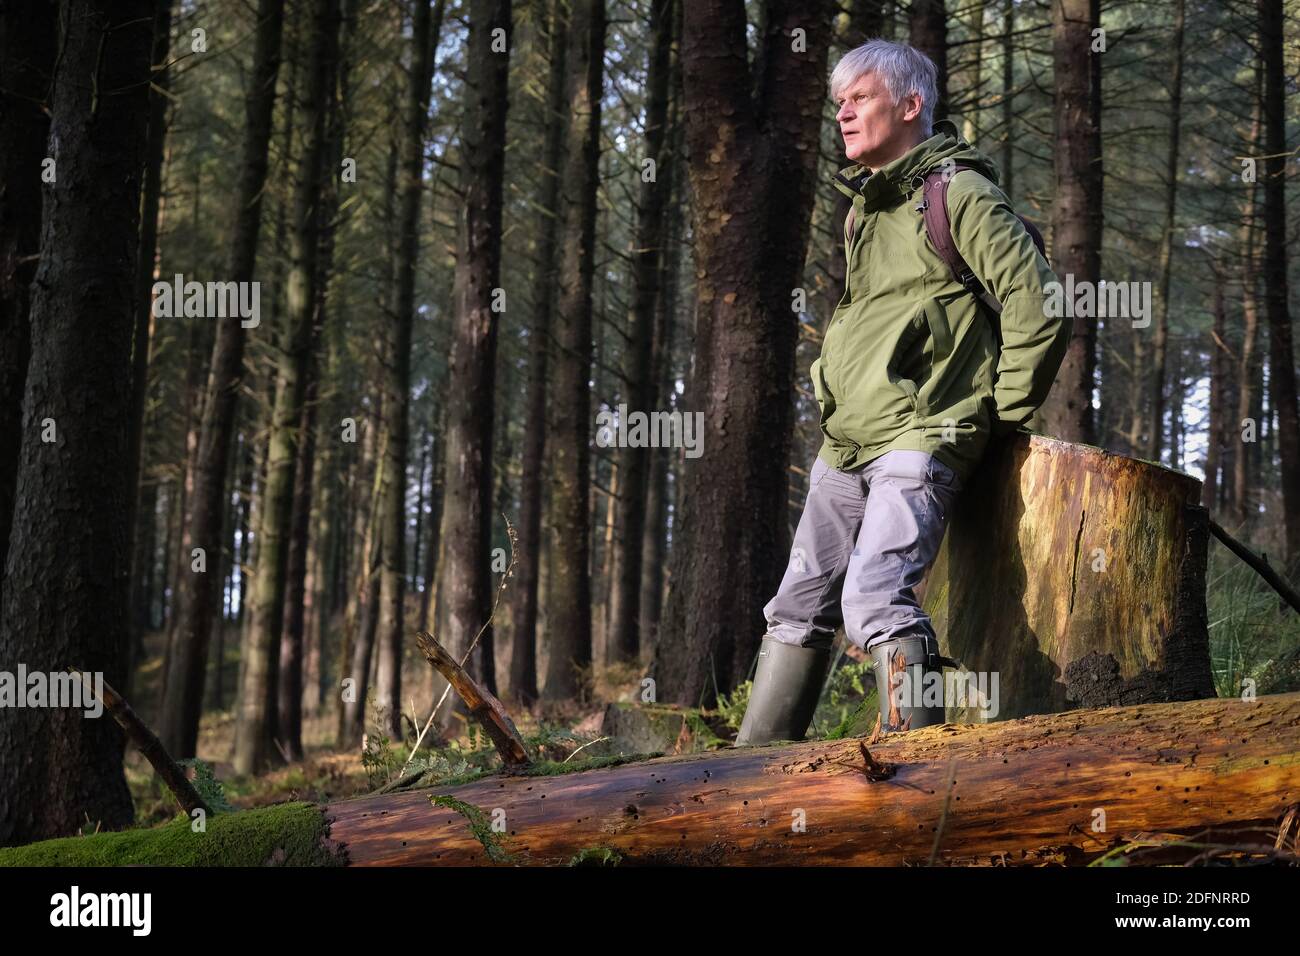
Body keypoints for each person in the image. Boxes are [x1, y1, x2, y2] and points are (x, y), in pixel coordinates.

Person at [734, 38, 1070, 745]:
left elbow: (1039, 303)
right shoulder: (866, 211)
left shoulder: (961, 193)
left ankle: (911, 782)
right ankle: (745, 783)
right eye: (838, 104)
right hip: (846, 441)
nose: (844, 116)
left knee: (877, 601)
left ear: (911, 104)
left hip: (922, 436)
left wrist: (993, 416)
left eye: (859, 100)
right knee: (794, 606)